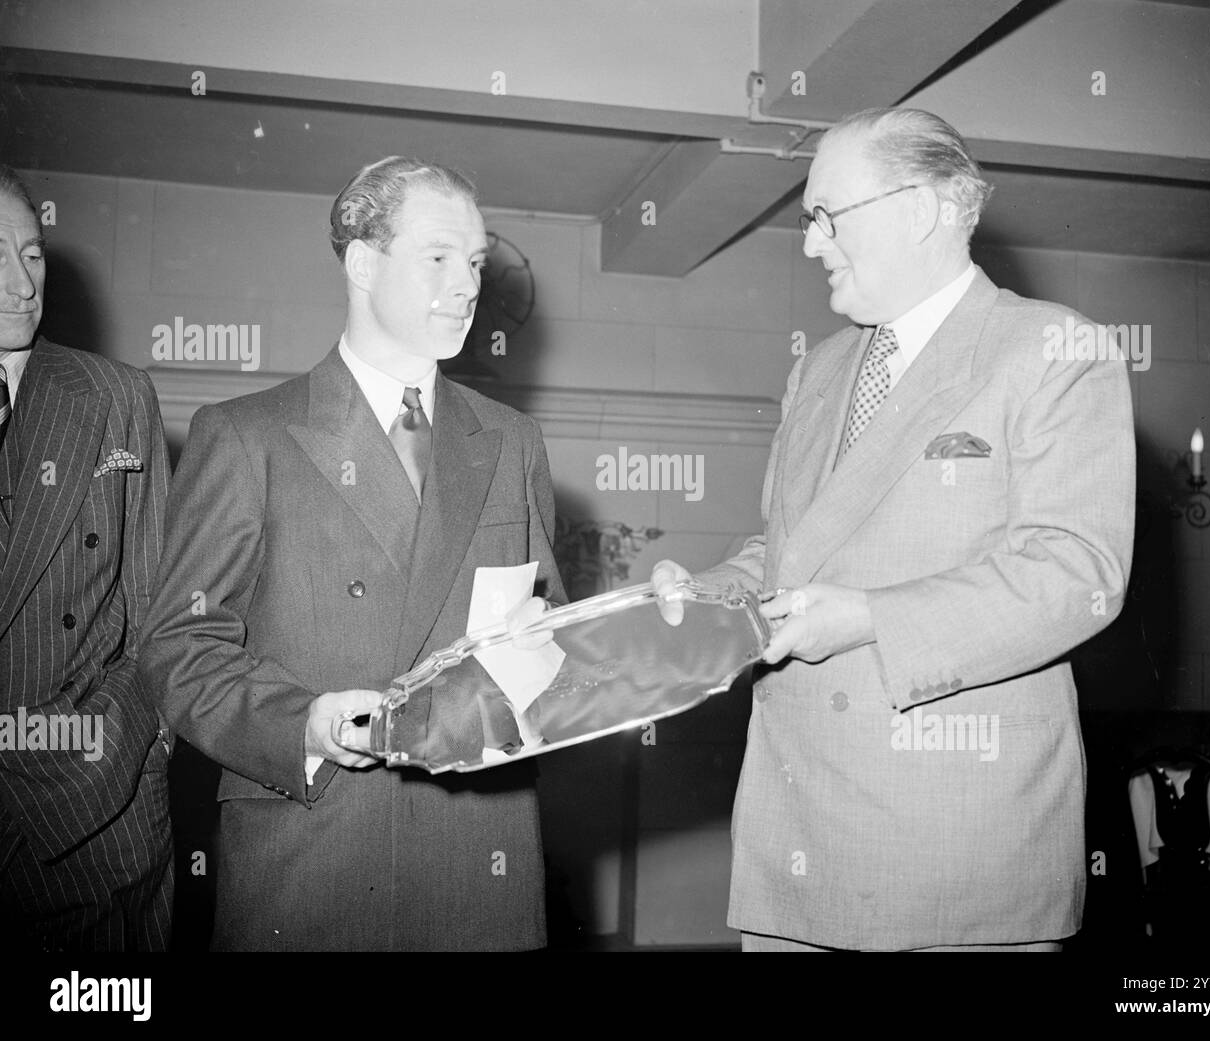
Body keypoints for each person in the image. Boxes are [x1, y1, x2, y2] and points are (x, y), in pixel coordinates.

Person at [653, 108, 1135, 952]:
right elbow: (787, 549)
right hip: (792, 836)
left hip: (951, 849)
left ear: (921, 209)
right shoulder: (819, 367)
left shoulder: (1053, 347)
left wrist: (871, 617)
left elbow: (1075, 573)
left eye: (826, 216)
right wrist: (714, 595)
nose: (810, 244)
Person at [140, 157, 563, 950]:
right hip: (312, 858)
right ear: (364, 262)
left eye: (475, 262)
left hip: (479, 864)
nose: (469, 284)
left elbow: (552, 638)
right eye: (439, 257)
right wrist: (303, 723)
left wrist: (623, 632)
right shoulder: (245, 435)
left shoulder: (512, 441)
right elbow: (179, 646)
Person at [0, 165, 173, 950]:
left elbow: (162, 607)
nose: (20, 283)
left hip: (95, 822)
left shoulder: (114, 396)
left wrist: (127, 748)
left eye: (32, 255)